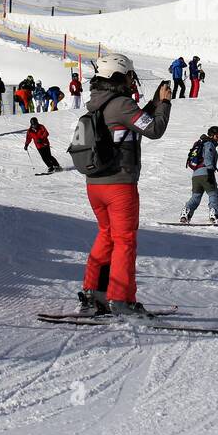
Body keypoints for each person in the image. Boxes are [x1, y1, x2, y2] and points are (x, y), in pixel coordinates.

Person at [77, 53, 173, 318]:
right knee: (124, 241)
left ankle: (93, 294)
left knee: (106, 235)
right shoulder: (122, 103)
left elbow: (136, 122)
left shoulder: (97, 103)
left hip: (95, 184)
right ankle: (122, 299)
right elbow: (154, 129)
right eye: (130, 75)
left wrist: (154, 103)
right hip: (119, 185)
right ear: (119, 76)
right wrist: (165, 104)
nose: (133, 80)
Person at [180, 126, 218, 224]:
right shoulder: (209, 144)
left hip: (196, 175)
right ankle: (215, 215)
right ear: (212, 135)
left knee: (195, 197)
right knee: (213, 194)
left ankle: (185, 214)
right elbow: (208, 157)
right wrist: (210, 172)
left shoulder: (201, 143)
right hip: (206, 173)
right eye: (217, 136)